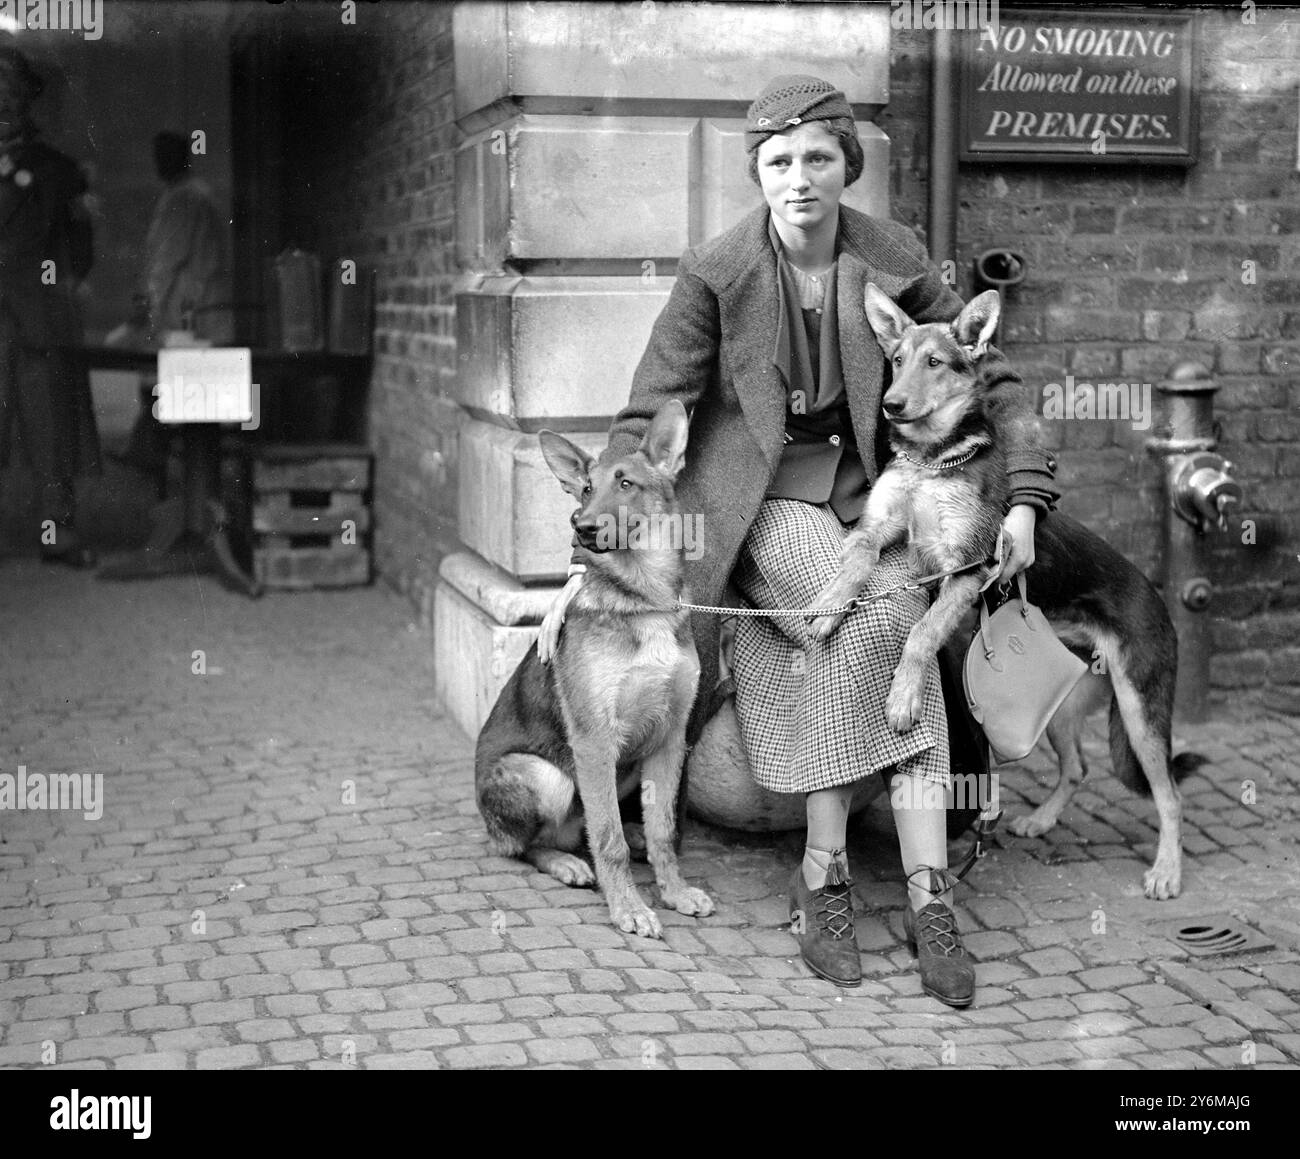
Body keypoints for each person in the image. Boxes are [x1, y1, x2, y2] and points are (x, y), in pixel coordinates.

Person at [538, 76, 1058, 1006]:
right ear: (759, 174)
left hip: (874, 491)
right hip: (763, 504)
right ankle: (835, 877)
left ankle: (916, 893)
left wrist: (1022, 499)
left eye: (818, 157)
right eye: (778, 162)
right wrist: (603, 522)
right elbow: (643, 410)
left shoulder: (891, 252)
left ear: (847, 166)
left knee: (903, 612)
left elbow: (1000, 380)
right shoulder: (717, 273)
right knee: (860, 622)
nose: (799, 178)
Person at [0, 37, 99, 567]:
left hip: (36, 317)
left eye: (11, 86)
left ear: (27, 97)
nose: (1, 96)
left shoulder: (57, 169)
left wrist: (59, 286)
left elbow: (82, 247)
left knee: (50, 423)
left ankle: (54, 530)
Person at [114, 130, 231, 474]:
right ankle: (150, 449)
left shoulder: (184, 198)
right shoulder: (190, 195)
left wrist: (145, 305)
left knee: (164, 379)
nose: (158, 164)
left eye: (165, 156)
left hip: (185, 309)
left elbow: (166, 260)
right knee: (165, 382)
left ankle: (154, 453)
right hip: (188, 306)